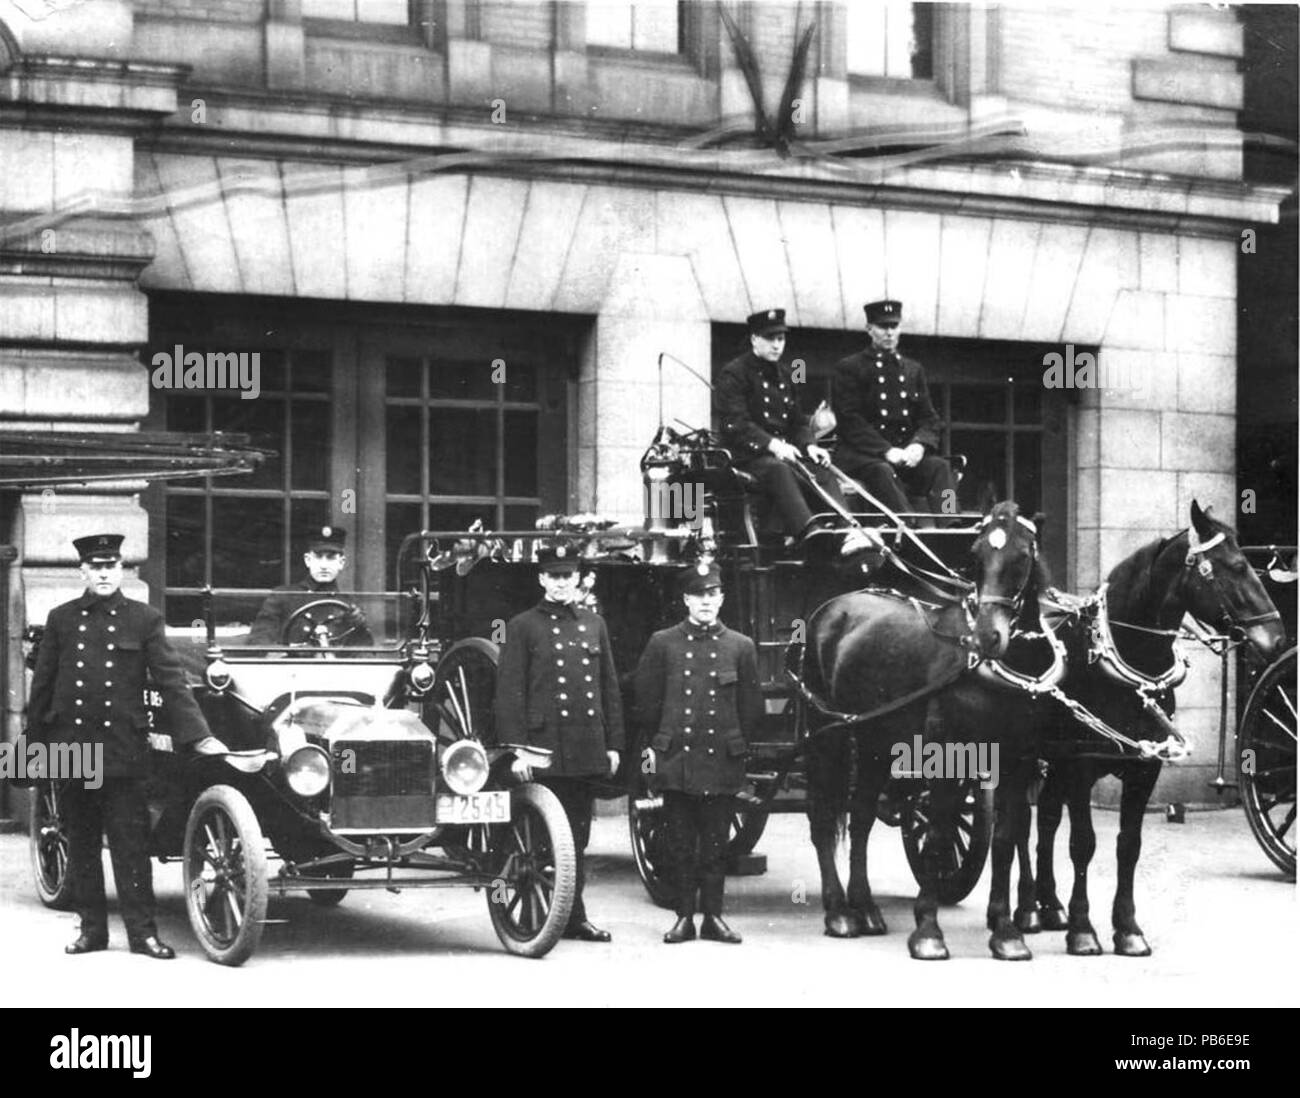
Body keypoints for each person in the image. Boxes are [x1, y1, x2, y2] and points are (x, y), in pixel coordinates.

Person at [26, 533, 228, 959]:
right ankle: (91, 932)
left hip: (123, 749)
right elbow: (42, 689)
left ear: (120, 570)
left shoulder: (144, 619)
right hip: (74, 749)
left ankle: (143, 934)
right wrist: (31, 753)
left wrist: (200, 735)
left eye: (110, 566)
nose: (103, 573)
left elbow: (172, 680)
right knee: (80, 843)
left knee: (130, 846)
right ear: (83, 571)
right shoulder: (61, 619)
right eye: (95, 567)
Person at [493, 542, 624, 942]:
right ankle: (543, 916)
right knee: (545, 837)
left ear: (578, 579)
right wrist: (515, 749)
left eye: (568, 576)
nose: (562, 583)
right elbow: (510, 691)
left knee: (577, 837)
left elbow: (609, 688)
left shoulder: (593, 624)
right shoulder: (522, 626)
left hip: (585, 746)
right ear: (541, 579)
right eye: (554, 576)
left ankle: (573, 915)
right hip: (542, 747)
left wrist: (614, 744)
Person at [634, 563, 762, 945]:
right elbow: (647, 702)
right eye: (698, 596)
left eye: (713, 595)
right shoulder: (663, 643)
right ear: (686, 600)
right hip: (678, 761)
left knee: (715, 846)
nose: (706, 602)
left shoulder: (741, 646)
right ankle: (684, 917)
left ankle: (715, 918)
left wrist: (737, 748)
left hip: (721, 760)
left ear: (721, 598)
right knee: (680, 845)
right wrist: (656, 752)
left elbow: (750, 707)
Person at [715, 309, 866, 550]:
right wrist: (773, 445)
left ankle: (847, 527)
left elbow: (797, 422)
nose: (777, 345)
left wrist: (810, 446)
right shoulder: (734, 373)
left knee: (819, 466)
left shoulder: (788, 374)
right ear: (754, 339)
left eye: (781, 339)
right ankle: (807, 530)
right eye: (770, 339)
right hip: (748, 456)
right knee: (778, 469)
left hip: (782, 453)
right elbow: (736, 423)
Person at [833, 299, 957, 519]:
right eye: (883, 327)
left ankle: (952, 524)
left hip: (904, 455)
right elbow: (850, 421)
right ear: (869, 329)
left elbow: (929, 419)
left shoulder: (913, 370)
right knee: (882, 470)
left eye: (894, 326)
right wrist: (886, 450)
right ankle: (911, 529)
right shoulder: (849, 368)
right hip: (864, 456)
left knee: (940, 467)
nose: (889, 333)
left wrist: (918, 446)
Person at [247, 525, 372, 646]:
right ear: (308, 560)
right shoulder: (283, 597)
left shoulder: (349, 606)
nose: (324, 565)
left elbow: (362, 653)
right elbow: (259, 643)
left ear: (341, 563)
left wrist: (359, 626)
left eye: (331, 558)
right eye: (318, 557)